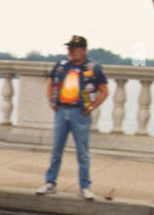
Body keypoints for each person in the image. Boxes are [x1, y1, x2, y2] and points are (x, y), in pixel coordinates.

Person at [35, 35, 107, 199]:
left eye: (73, 49)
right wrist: (51, 99)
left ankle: (85, 186)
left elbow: (104, 91)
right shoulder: (62, 65)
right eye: (69, 48)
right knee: (56, 150)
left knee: (82, 153)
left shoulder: (93, 68)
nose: (70, 51)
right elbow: (51, 82)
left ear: (83, 50)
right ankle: (50, 182)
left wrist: (92, 106)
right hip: (61, 111)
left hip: (80, 113)